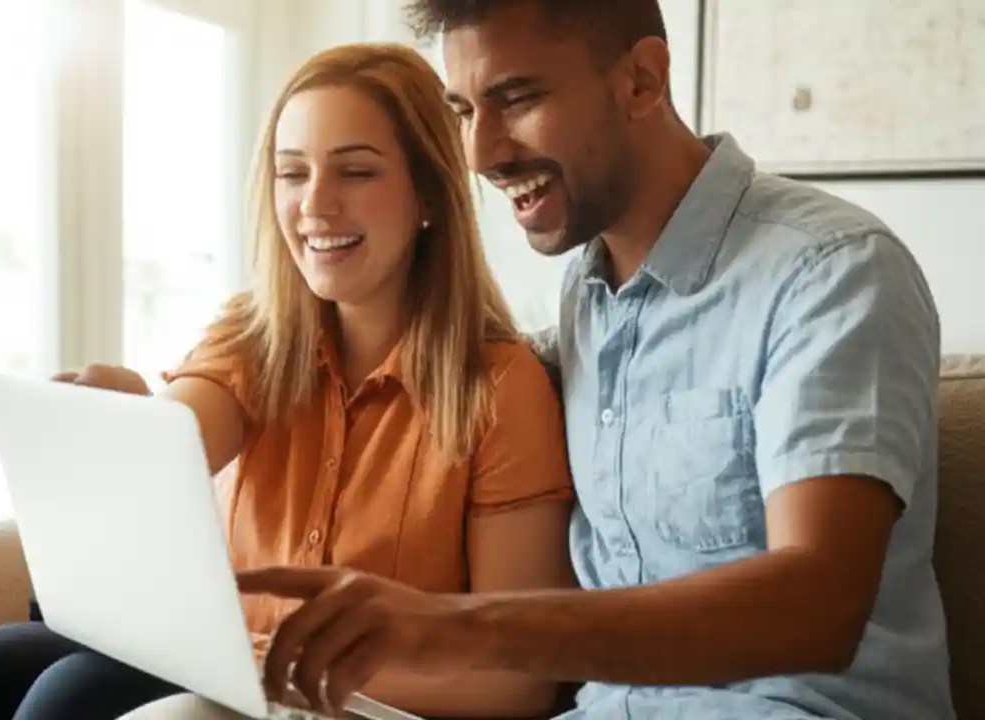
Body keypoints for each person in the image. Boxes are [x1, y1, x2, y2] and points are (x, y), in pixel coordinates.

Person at [222, 1, 956, 719]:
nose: (481, 155)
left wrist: (449, 626)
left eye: (517, 97)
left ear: (641, 80)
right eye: (466, 112)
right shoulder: (585, 299)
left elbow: (816, 605)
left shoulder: (829, 272)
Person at [0, 42, 576, 720]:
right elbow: (177, 437)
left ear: (428, 193)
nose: (316, 205)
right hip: (220, 659)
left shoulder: (499, 387)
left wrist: (286, 668)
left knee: (70, 701)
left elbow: (518, 682)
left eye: (356, 173)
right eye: (293, 172)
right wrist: (123, 423)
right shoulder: (255, 333)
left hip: (349, 700)